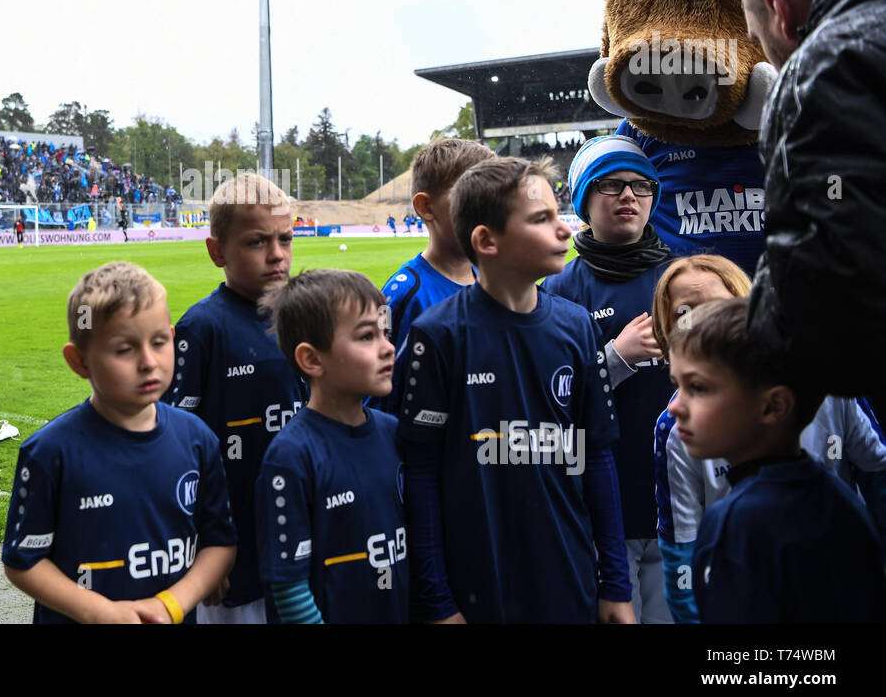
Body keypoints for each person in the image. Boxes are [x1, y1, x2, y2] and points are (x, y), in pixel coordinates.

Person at [398, 156, 633, 623]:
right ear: (486, 240)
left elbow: (597, 458)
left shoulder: (577, 326)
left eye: (558, 213)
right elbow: (420, 474)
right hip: (477, 588)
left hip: (568, 577)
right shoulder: (438, 335)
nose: (564, 230)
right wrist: (438, 600)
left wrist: (615, 584)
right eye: (541, 219)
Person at [650, 255, 886, 623]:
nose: (678, 406)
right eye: (684, 314)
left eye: (698, 387)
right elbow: (683, 560)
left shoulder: (738, 521)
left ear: (775, 404)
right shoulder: (836, 502)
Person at [2, 262, 237, 623]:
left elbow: (220, 544)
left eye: (159, 342)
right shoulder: (50, 453)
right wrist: (101, 613)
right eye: (124, 350)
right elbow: (24, 561)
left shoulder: (198, 439)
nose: (148, 362)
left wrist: (169, 605)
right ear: (79, 361)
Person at [741, 0, 886, 417]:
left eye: (759, 41)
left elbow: (834, 316)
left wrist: (746, 349)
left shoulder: (825, 64)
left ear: (780, 12)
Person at [540, 135, 674, 623]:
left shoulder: (685, 278)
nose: (629, 196)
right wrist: (616, 357)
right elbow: (541, 405)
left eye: (642, 186)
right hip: (595, 514)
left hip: (677, 507)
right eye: (611, 185)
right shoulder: (556, 290)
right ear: (582, 199)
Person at [166, 172, 308, 623]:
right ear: (217, 251)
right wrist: (200, 540)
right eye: (256, 242)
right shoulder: (201, 328)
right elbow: (176, 446)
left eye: (286, 239)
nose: (277, 255)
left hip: (303, 525)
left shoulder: (307, 315)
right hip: (232, 542)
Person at [255, 269, 406, 623]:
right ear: (312, 359)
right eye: (367, 337)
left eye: (386, 333)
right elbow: (289, 587)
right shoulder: (291, 457)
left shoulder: (394, 434)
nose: (388, 348)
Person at [377, 138, 494, 416]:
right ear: (426, 207)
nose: (488, 208)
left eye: (493, 195)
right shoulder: (404, 295)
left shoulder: (493, 282)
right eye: (470, 195)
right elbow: (378, 398)